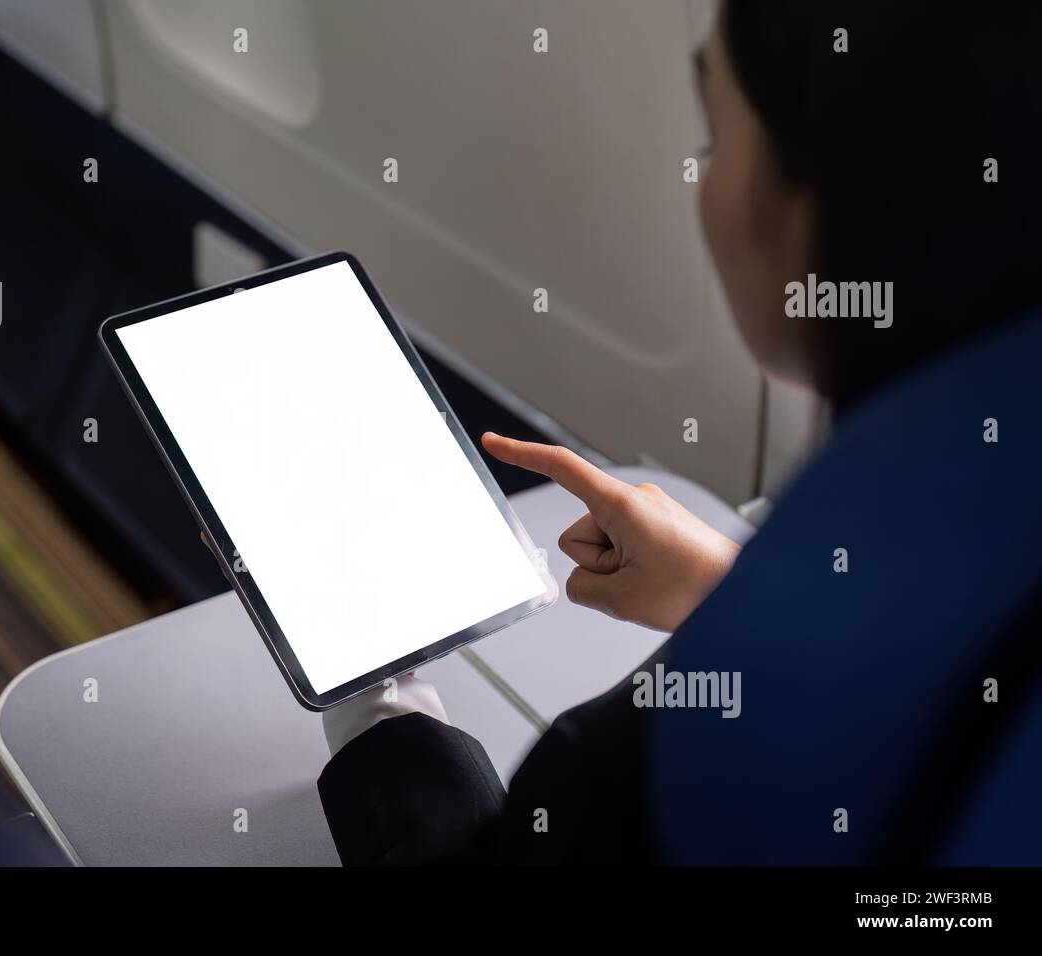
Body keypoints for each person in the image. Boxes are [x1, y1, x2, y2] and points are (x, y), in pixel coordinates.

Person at [316, 0, 1042, 865]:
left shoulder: (656, 758)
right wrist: (722, 583)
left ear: (826, 198)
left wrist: (374, 711)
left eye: (712, 145)